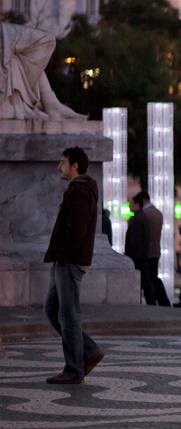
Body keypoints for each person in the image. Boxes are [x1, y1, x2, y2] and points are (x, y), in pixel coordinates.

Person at [42, 147, 105, 384]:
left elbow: (77, 230)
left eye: (62, 162)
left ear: (74, 166)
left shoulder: (79, 191)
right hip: (64, 260)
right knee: (52, 310)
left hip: (69, 262)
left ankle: (74, 369)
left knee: (68, 315)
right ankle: (89, 350)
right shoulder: (78, 190)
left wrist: (66, 256)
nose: (59, 166)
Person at [125, 191, 171, 307]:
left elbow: (138, 236)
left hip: (144, 252)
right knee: (153, 278)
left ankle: (155, 301)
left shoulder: (143, 215)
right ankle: (163, 302)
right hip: (154, 250)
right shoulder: (158, 213)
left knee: (147, 279)